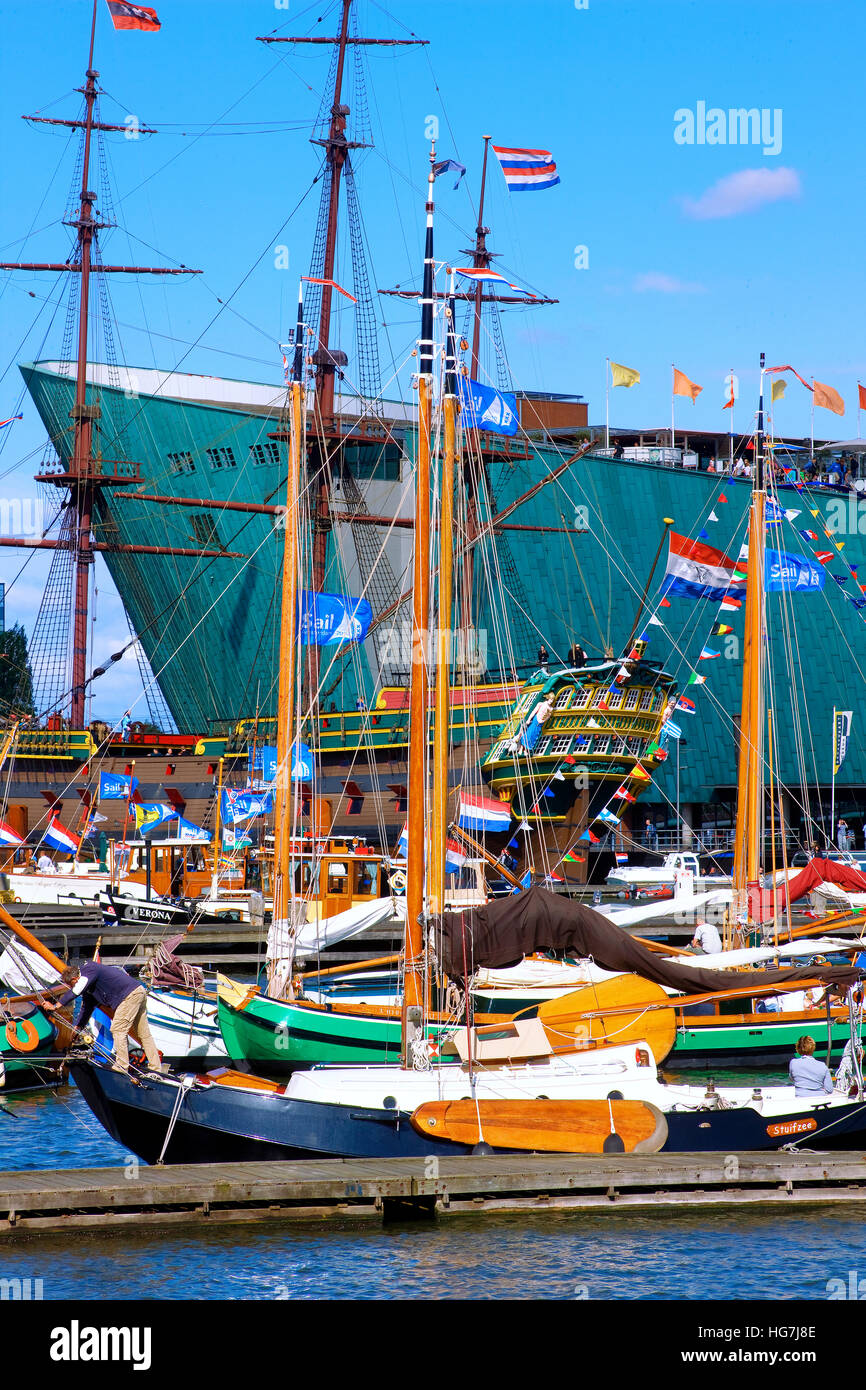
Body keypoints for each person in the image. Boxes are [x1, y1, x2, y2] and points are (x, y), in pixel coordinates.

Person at [41, 962, 164, 1075]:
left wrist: (56, 1005)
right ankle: (155, 1068)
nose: (71, 987)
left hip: (129, 995)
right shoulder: (89, 984)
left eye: (71, 985)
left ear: (75, 979)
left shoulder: (89, 969)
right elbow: (87, 1007)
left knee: (118, 1029)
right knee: (143, 1034)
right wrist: (78, 1027)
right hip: (137, 992)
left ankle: (122, 1066)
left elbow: (76, 990)